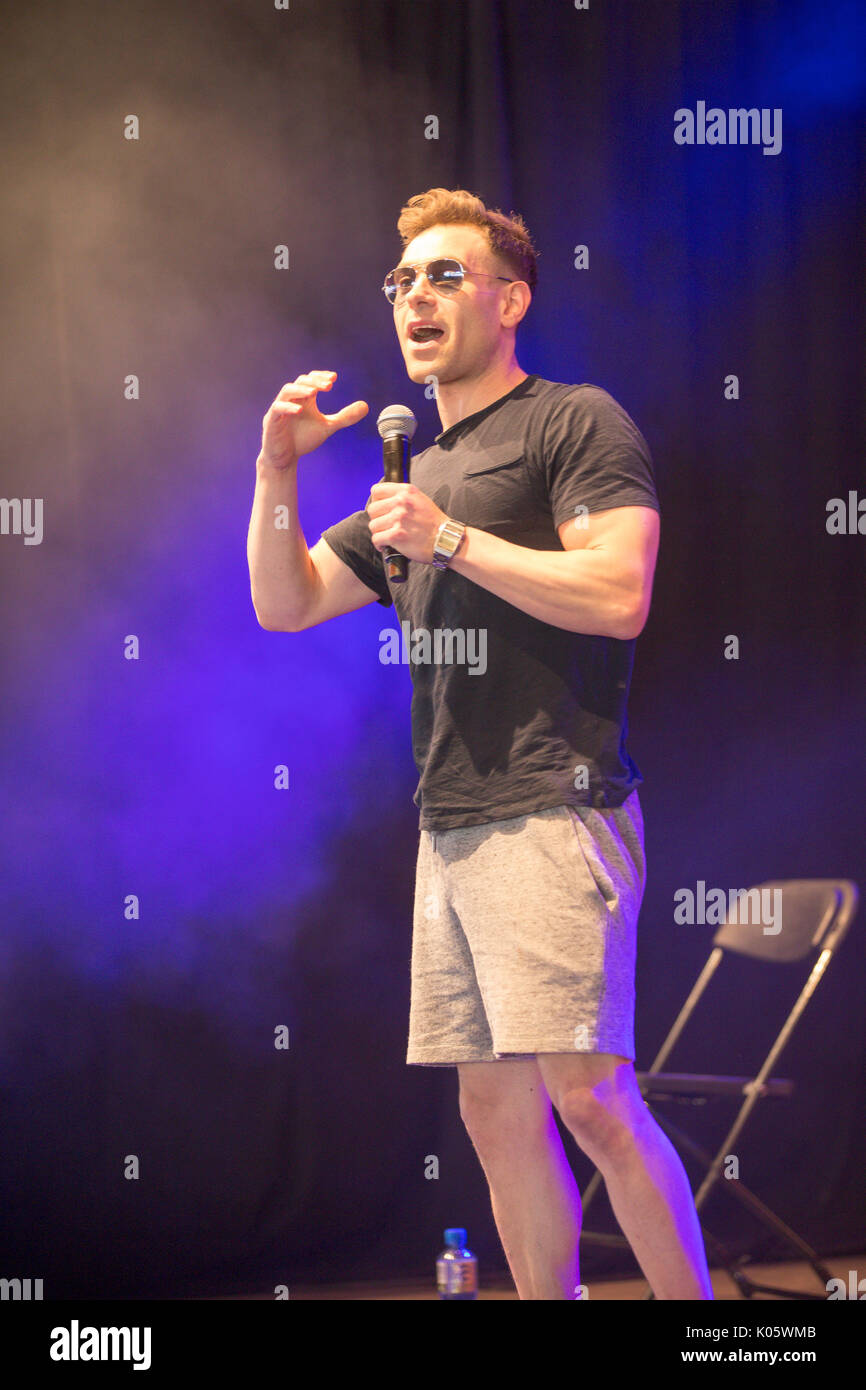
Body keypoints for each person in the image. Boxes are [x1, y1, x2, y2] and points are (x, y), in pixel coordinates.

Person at [247, 187, 713, 1301]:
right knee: (492, 1109)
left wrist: (451, 541)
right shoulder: (412, 476)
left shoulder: (571, 422)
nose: (414, 294)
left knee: (589, 1095)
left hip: (556, 798)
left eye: (443, 274)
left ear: (510, 298)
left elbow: (617, 593)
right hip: (449, 823)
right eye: (401, 280)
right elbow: (285, 599)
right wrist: (276, 470)